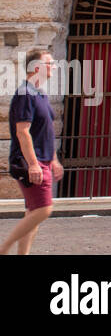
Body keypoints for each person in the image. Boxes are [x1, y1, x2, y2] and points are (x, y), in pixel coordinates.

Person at [1, 49, 63, 255]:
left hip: (43, 160)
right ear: (37, 68)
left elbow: (44, 131)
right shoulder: (24, 95)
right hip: (31, 163)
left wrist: (53, 160)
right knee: (43, 210)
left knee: (33, 213)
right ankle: (4, 248)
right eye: (50, 63)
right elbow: (23, 132)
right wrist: (34, 164)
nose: (53, 66)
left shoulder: (40, 95)